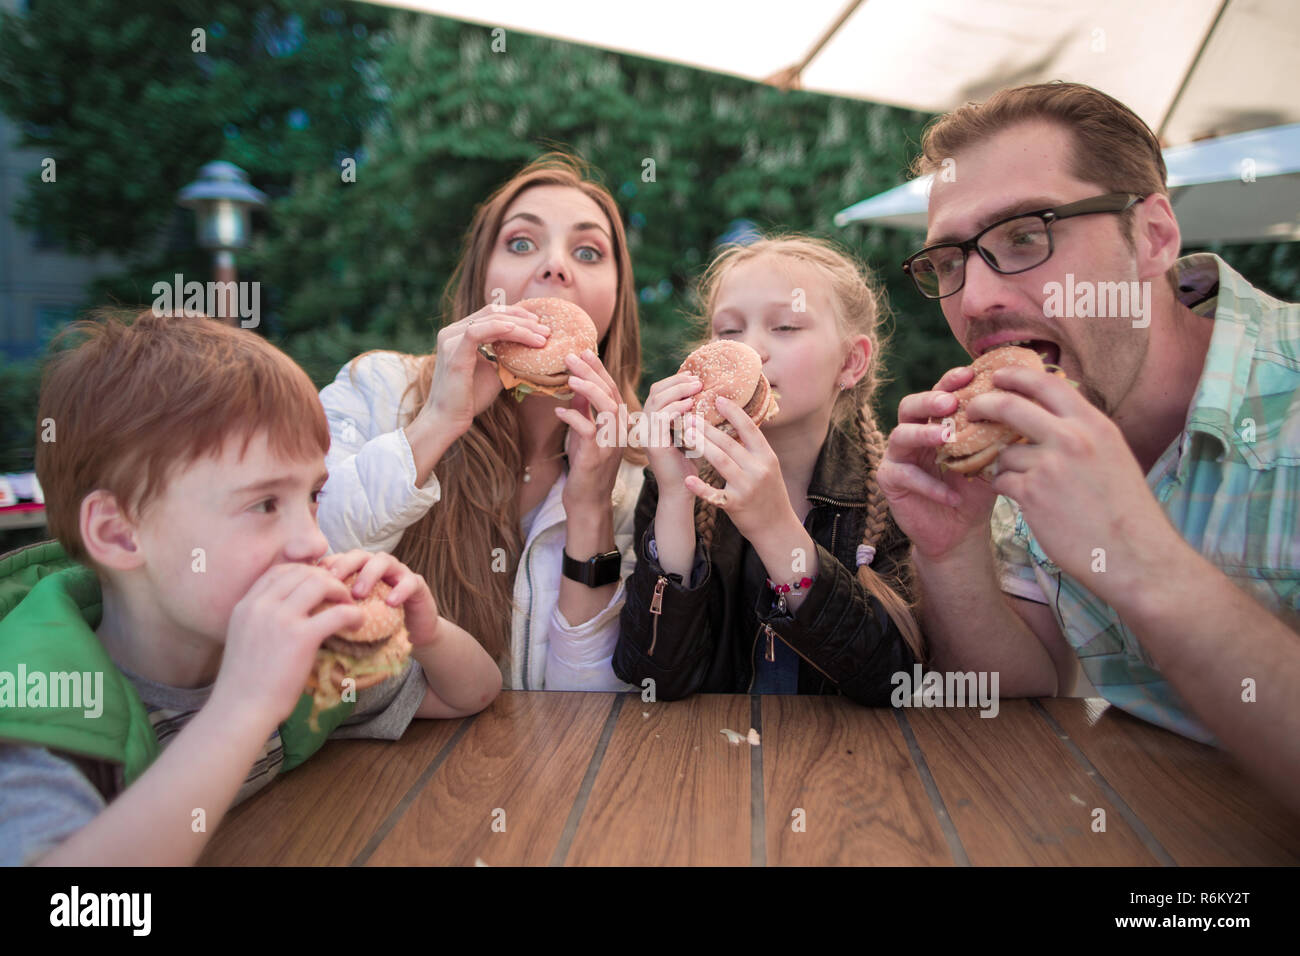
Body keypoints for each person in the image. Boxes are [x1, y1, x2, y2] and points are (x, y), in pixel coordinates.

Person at [879, 81, 1300, 809]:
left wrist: (1137, 553)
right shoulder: (1032, 426)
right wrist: (954, 554)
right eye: (949, 260)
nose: (974, 300)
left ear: (1154, 237)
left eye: (1025, 235)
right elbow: (1018, 685)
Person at [0, 310, 501, 865]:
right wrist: (244, 706)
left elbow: (469, 694)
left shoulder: (307, 660)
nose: (313, 541)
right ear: (119, 533)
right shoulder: (42, 709)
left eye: (311, 496)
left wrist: (425, 634)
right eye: (264, 504)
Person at [318, 153, 646, 692]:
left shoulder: (637, 465)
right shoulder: (378, 390)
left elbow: (591, 697)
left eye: (588, 251)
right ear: (481, 279)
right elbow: (308, 554)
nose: (555, 266)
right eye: (521, 243)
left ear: (616, 301)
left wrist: (590, 510)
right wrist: (436, 425)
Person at [615, 236, 923, 700]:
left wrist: (777, 530)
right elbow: (654, 677)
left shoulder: (895, 492)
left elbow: (895, 682)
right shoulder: (675, 483)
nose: (751, 350)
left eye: (784, 326)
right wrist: (676, 499)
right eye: (729, 332)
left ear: (851, 361)